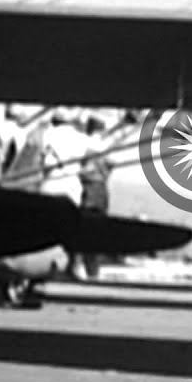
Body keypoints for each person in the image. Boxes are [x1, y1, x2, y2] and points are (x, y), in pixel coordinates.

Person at [70, 115, 113, 280]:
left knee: (79, 228)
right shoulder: (104, 146)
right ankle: (93, 270)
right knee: (97, 230)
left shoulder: (85, 144)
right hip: (100, 189)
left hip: (87, 187)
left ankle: (75, 266)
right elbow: (110, 165)